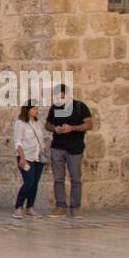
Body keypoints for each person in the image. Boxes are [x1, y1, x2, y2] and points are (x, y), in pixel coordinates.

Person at [46, 84, 93, 219]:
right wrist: (55, 129)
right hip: (57, 146)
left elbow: (89, 124)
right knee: (58, 178)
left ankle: (75, 207)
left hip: (75, 148)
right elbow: (47, 124)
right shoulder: (55, 108)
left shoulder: (79, 107)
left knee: (76, 179)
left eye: (61, 95)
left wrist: (72, 128)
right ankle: (60, 206)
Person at [12, 101, 46, 218]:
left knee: (35, 184)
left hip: (38, 157)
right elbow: (18, 142)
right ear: (27, 110)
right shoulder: (20, 123)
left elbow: (40, 140)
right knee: (29, 182)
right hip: (26, 157)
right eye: (34, 109)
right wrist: (22, 158)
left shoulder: (38, 123)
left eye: (37, 108)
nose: (37, 111)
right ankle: (18, 207)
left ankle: (30, 207)